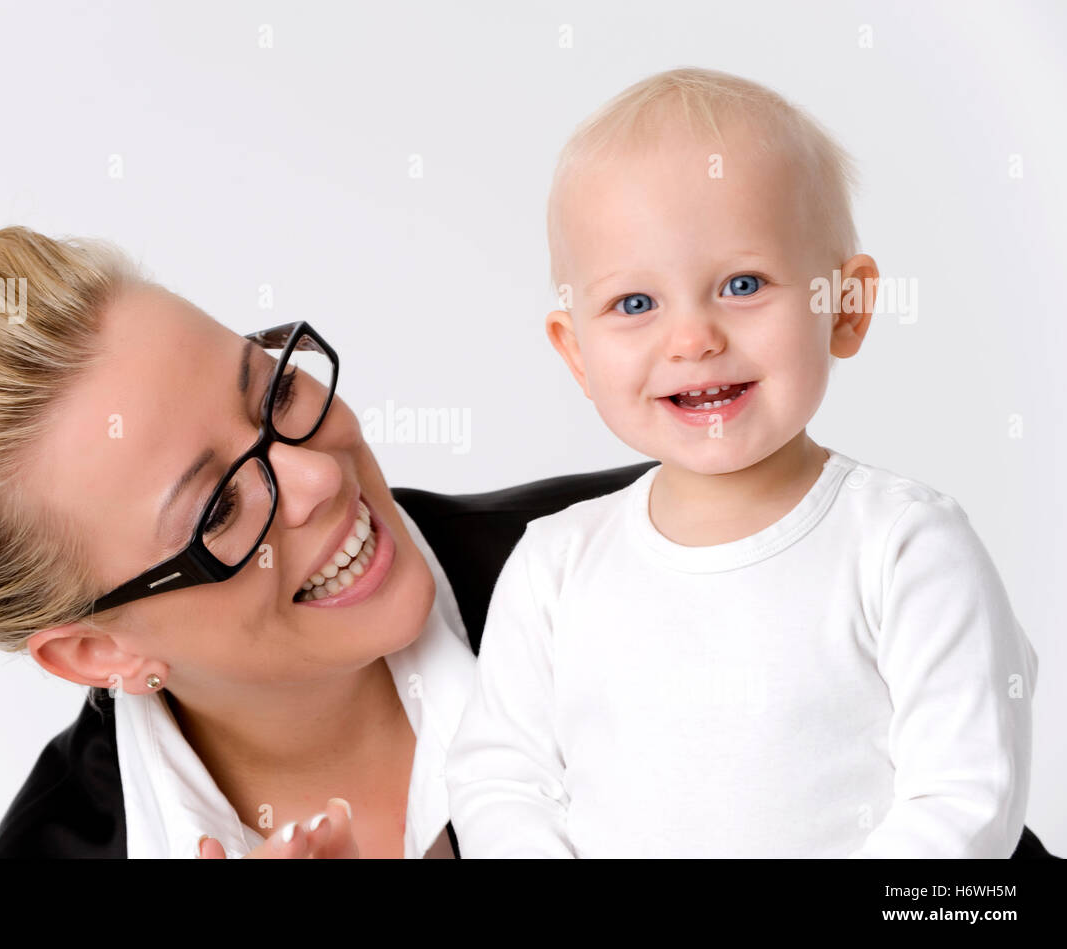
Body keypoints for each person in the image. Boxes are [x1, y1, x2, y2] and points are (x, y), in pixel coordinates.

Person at [0, 226, 1052, 860]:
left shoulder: (685, 544)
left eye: (268, 385)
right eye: (217, 508)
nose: (322, 475)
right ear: (96, 648)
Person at [446, 68, 1045, 857]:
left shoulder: (905, 547)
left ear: (848, 304)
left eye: (741, 283)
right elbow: (502, 782)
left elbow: (967, 799)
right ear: (576, 352)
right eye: (635, 304)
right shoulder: (555, 566)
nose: (692, 338)